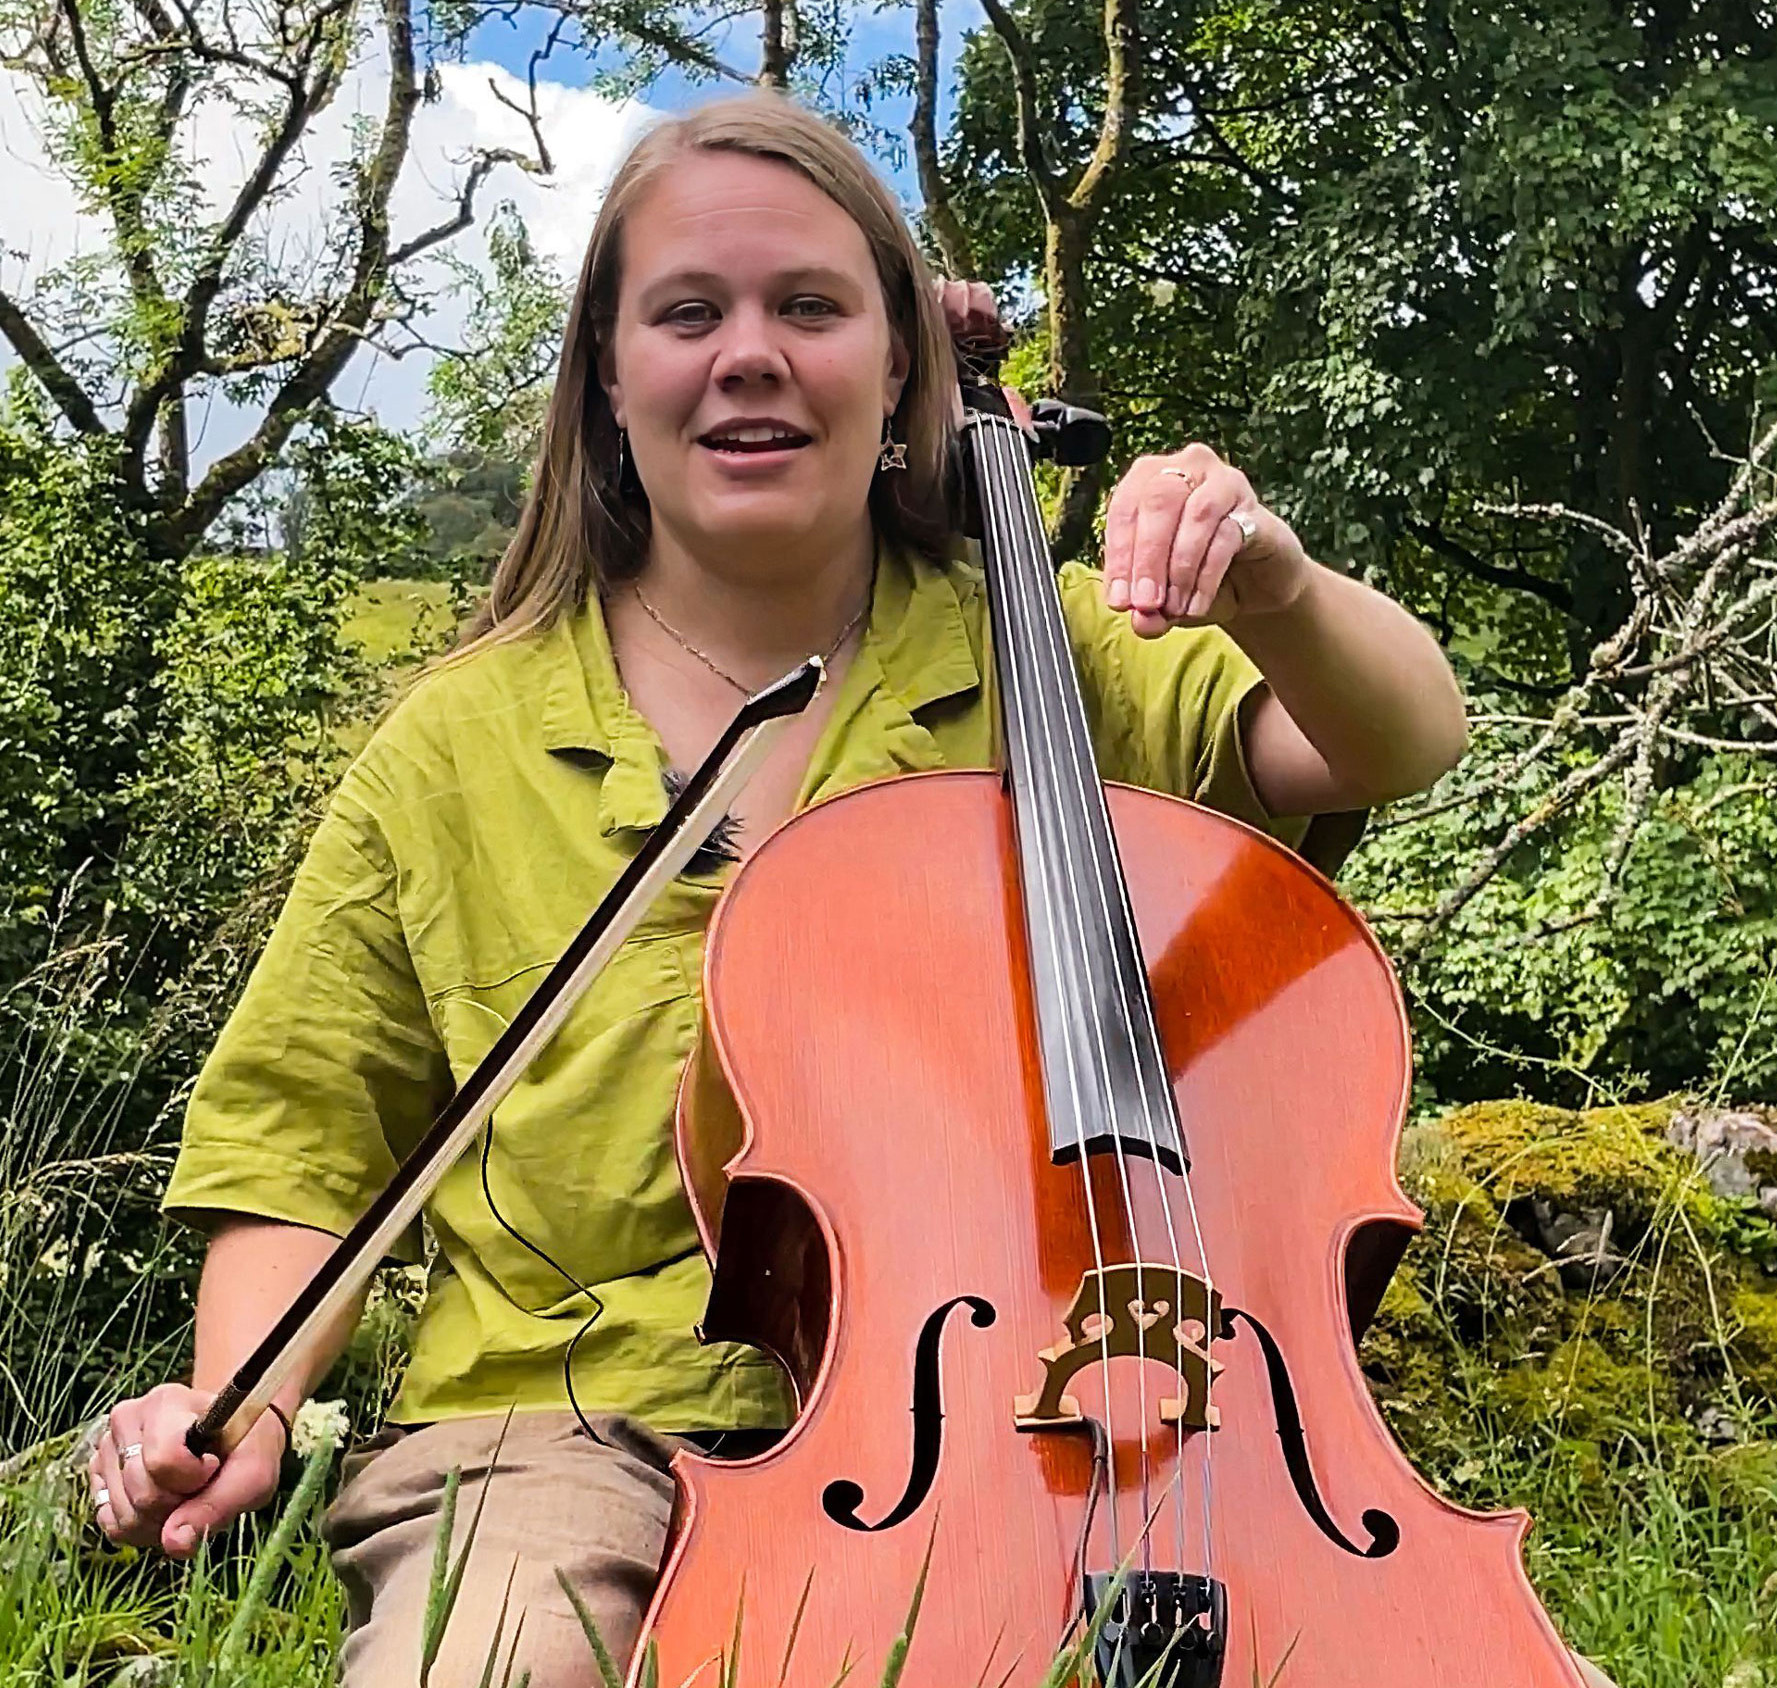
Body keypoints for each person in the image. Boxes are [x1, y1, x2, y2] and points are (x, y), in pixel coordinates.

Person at [91, 90, 1485, 1688]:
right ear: (609, 378)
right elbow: (305, 1144)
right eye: (688, 312)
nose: (748, 353)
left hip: (1036, 1403)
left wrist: (1278, 586)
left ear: (899, 367)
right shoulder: (453, 748)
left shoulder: (1054, 649)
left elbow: (1390, 737)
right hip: (557, 1430)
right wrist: (247, 1403)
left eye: (810, 307)